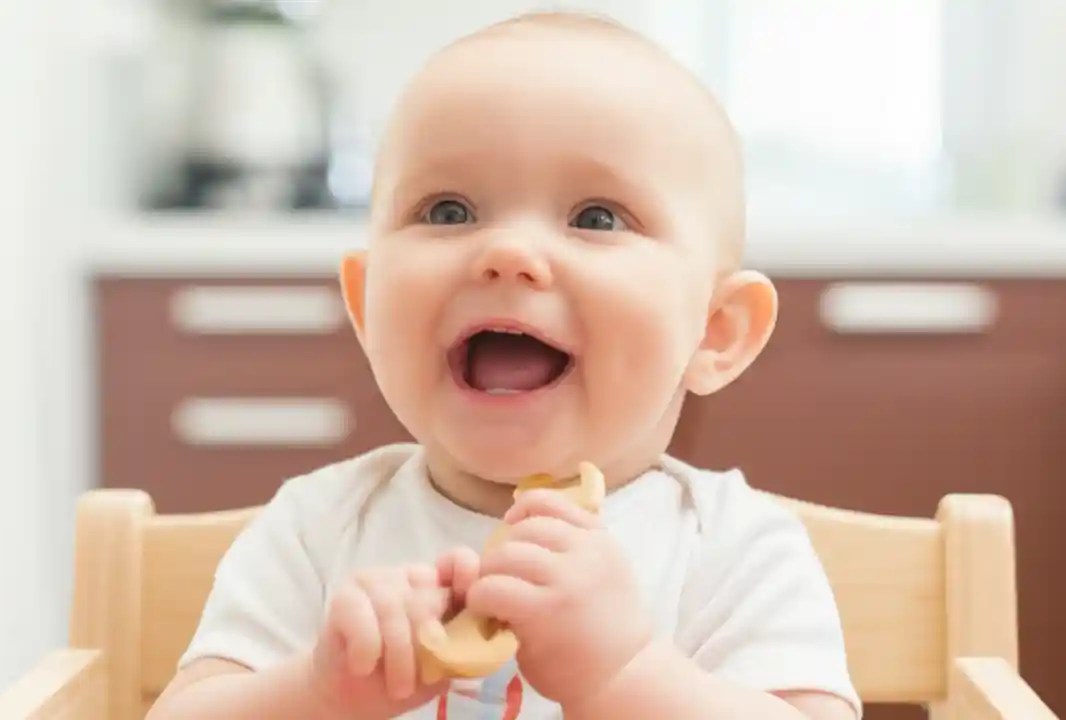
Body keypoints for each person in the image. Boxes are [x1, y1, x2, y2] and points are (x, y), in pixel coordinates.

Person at [149, 11, 860, 720]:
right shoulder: (317, 528)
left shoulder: (735, 551)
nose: (508, 251)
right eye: (450, 210)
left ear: (715, 331)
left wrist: (627, 673)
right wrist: (315, 693)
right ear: (367, 309)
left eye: (597, 217)